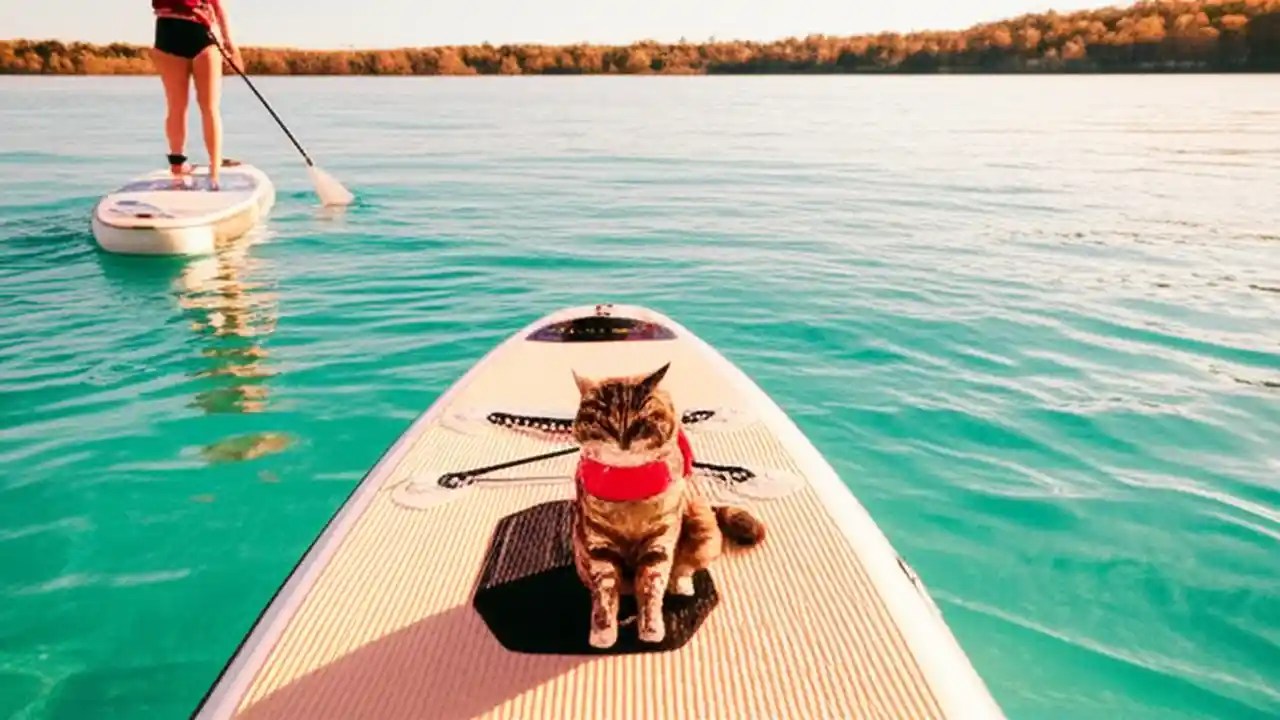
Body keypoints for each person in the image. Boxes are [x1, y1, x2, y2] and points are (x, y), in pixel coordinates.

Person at [151, 0, 242, 189]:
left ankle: (177, 167)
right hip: (199, 31)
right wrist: (230, 45)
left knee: (176, 107)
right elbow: (218, 7)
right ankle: (214, 173)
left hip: (167, 32)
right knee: (210, 107)